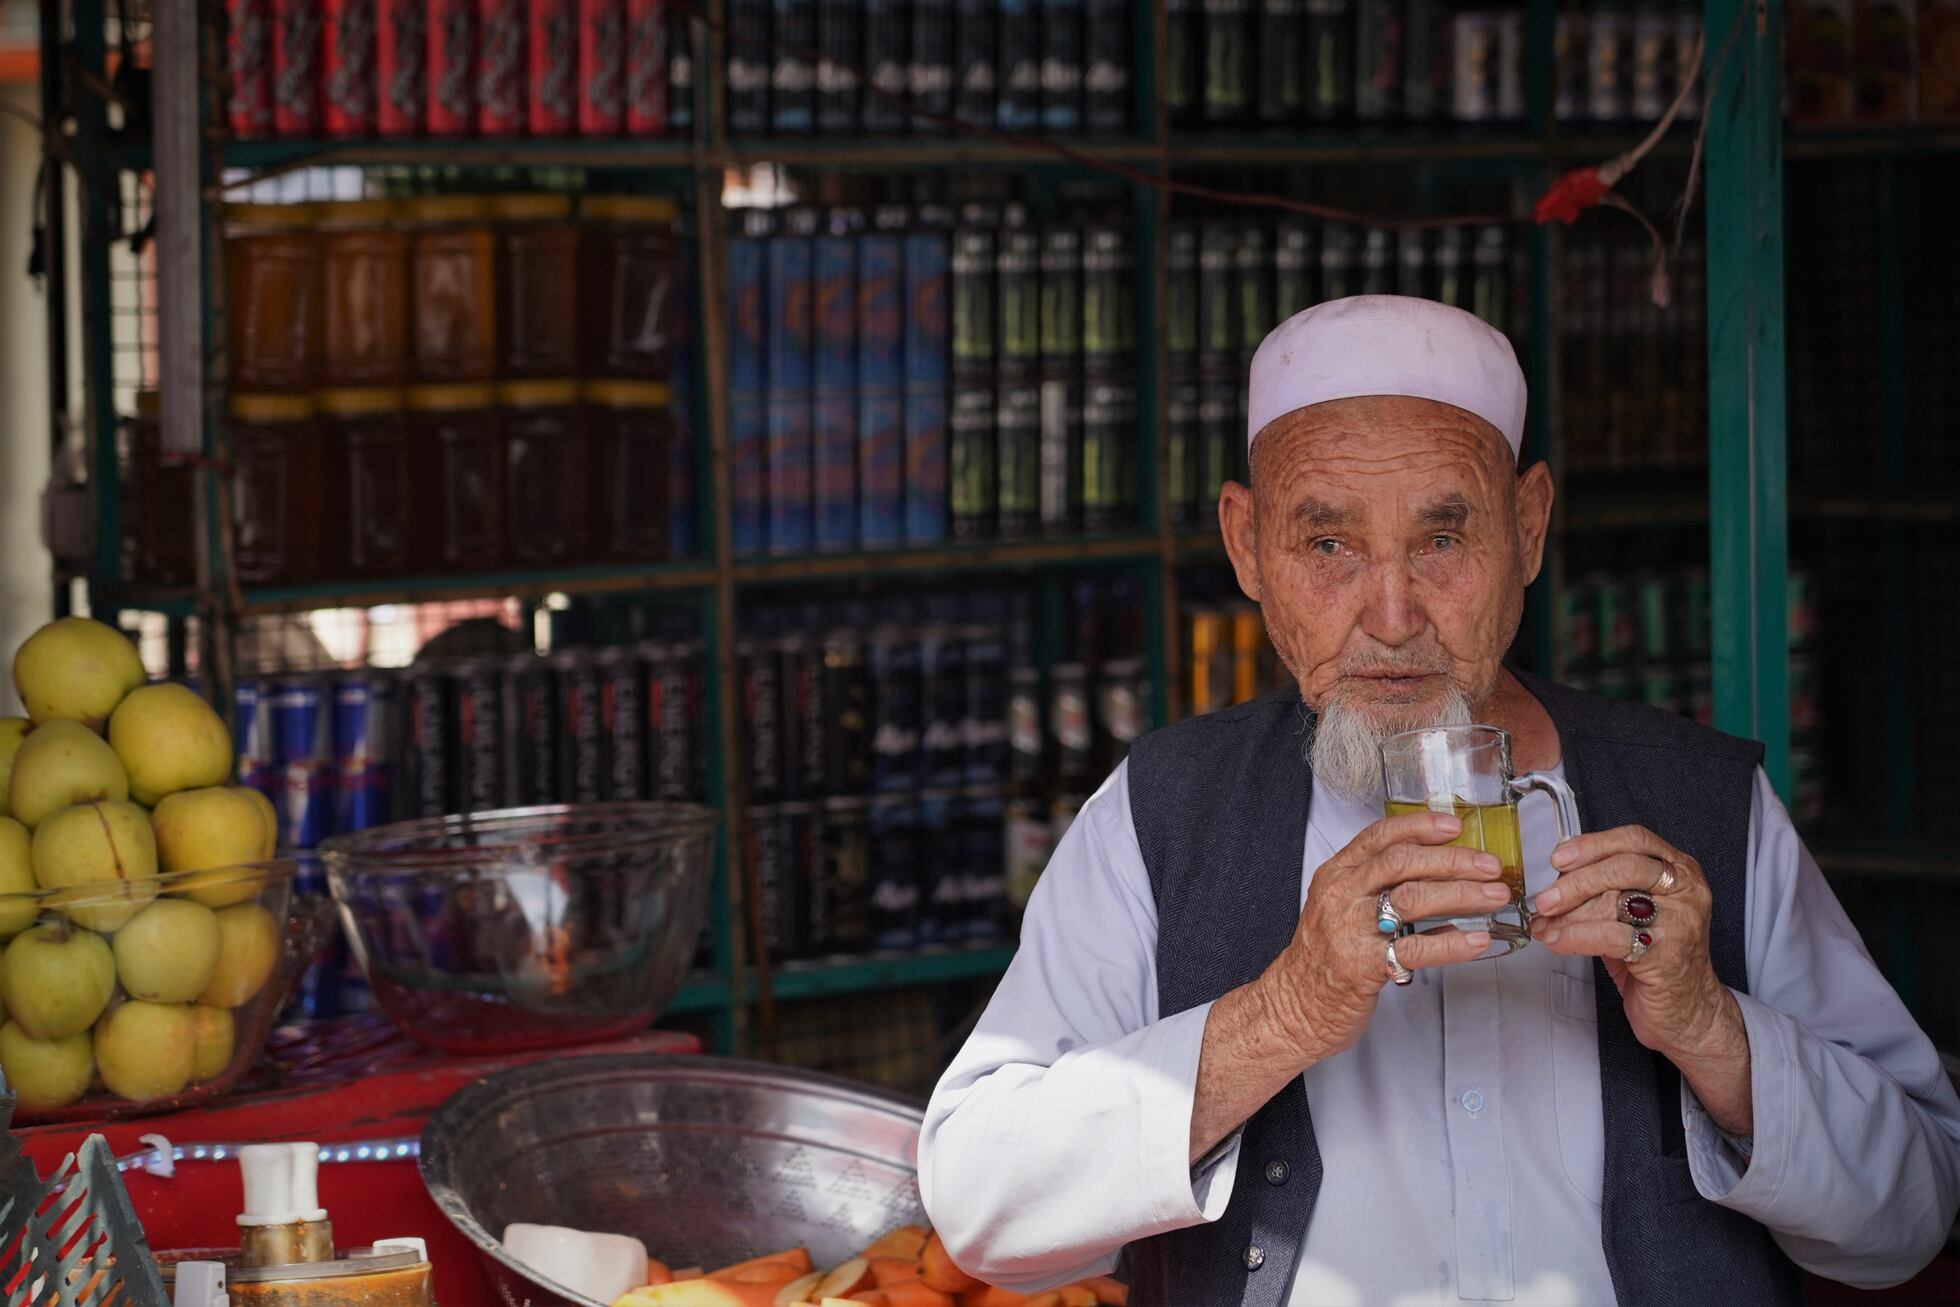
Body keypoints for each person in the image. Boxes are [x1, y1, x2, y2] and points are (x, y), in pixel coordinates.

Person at [918, 296, 1960, 1306]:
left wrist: (1709, 1028)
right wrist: (1280, 1013)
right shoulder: (1157, 813)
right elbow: (980, 1207)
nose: (1390, 612)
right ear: (1246, 547)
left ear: (1529, 528)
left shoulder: (1706, 804)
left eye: (1442, 540)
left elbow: (1911, 1217)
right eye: (1327, 545)